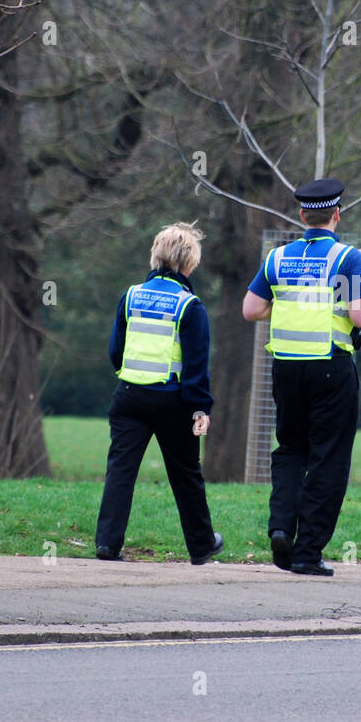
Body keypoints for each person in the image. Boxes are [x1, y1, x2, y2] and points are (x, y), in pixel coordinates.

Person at [242, 178, 361, 577]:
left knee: (290, 450)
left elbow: (250, 310)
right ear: (337, 215)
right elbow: (360, 316)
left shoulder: (278, 258)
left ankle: (282, 527)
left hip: (285, 368)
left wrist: (284, 307)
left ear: (302, 215)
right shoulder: (349, 258)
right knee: (328, 459)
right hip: (331, 368)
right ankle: (307, 552)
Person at [95, 222, 223, 565]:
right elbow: (196, 365)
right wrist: (201, 409)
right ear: (189, 263)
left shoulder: (131, 295)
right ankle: (201, 545)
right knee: (186, 476)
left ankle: (108, 543)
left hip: (128, 396)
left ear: (156, 256)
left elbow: (115, 351)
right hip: (173, 401)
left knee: (120, 471)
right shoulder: (190, 306)